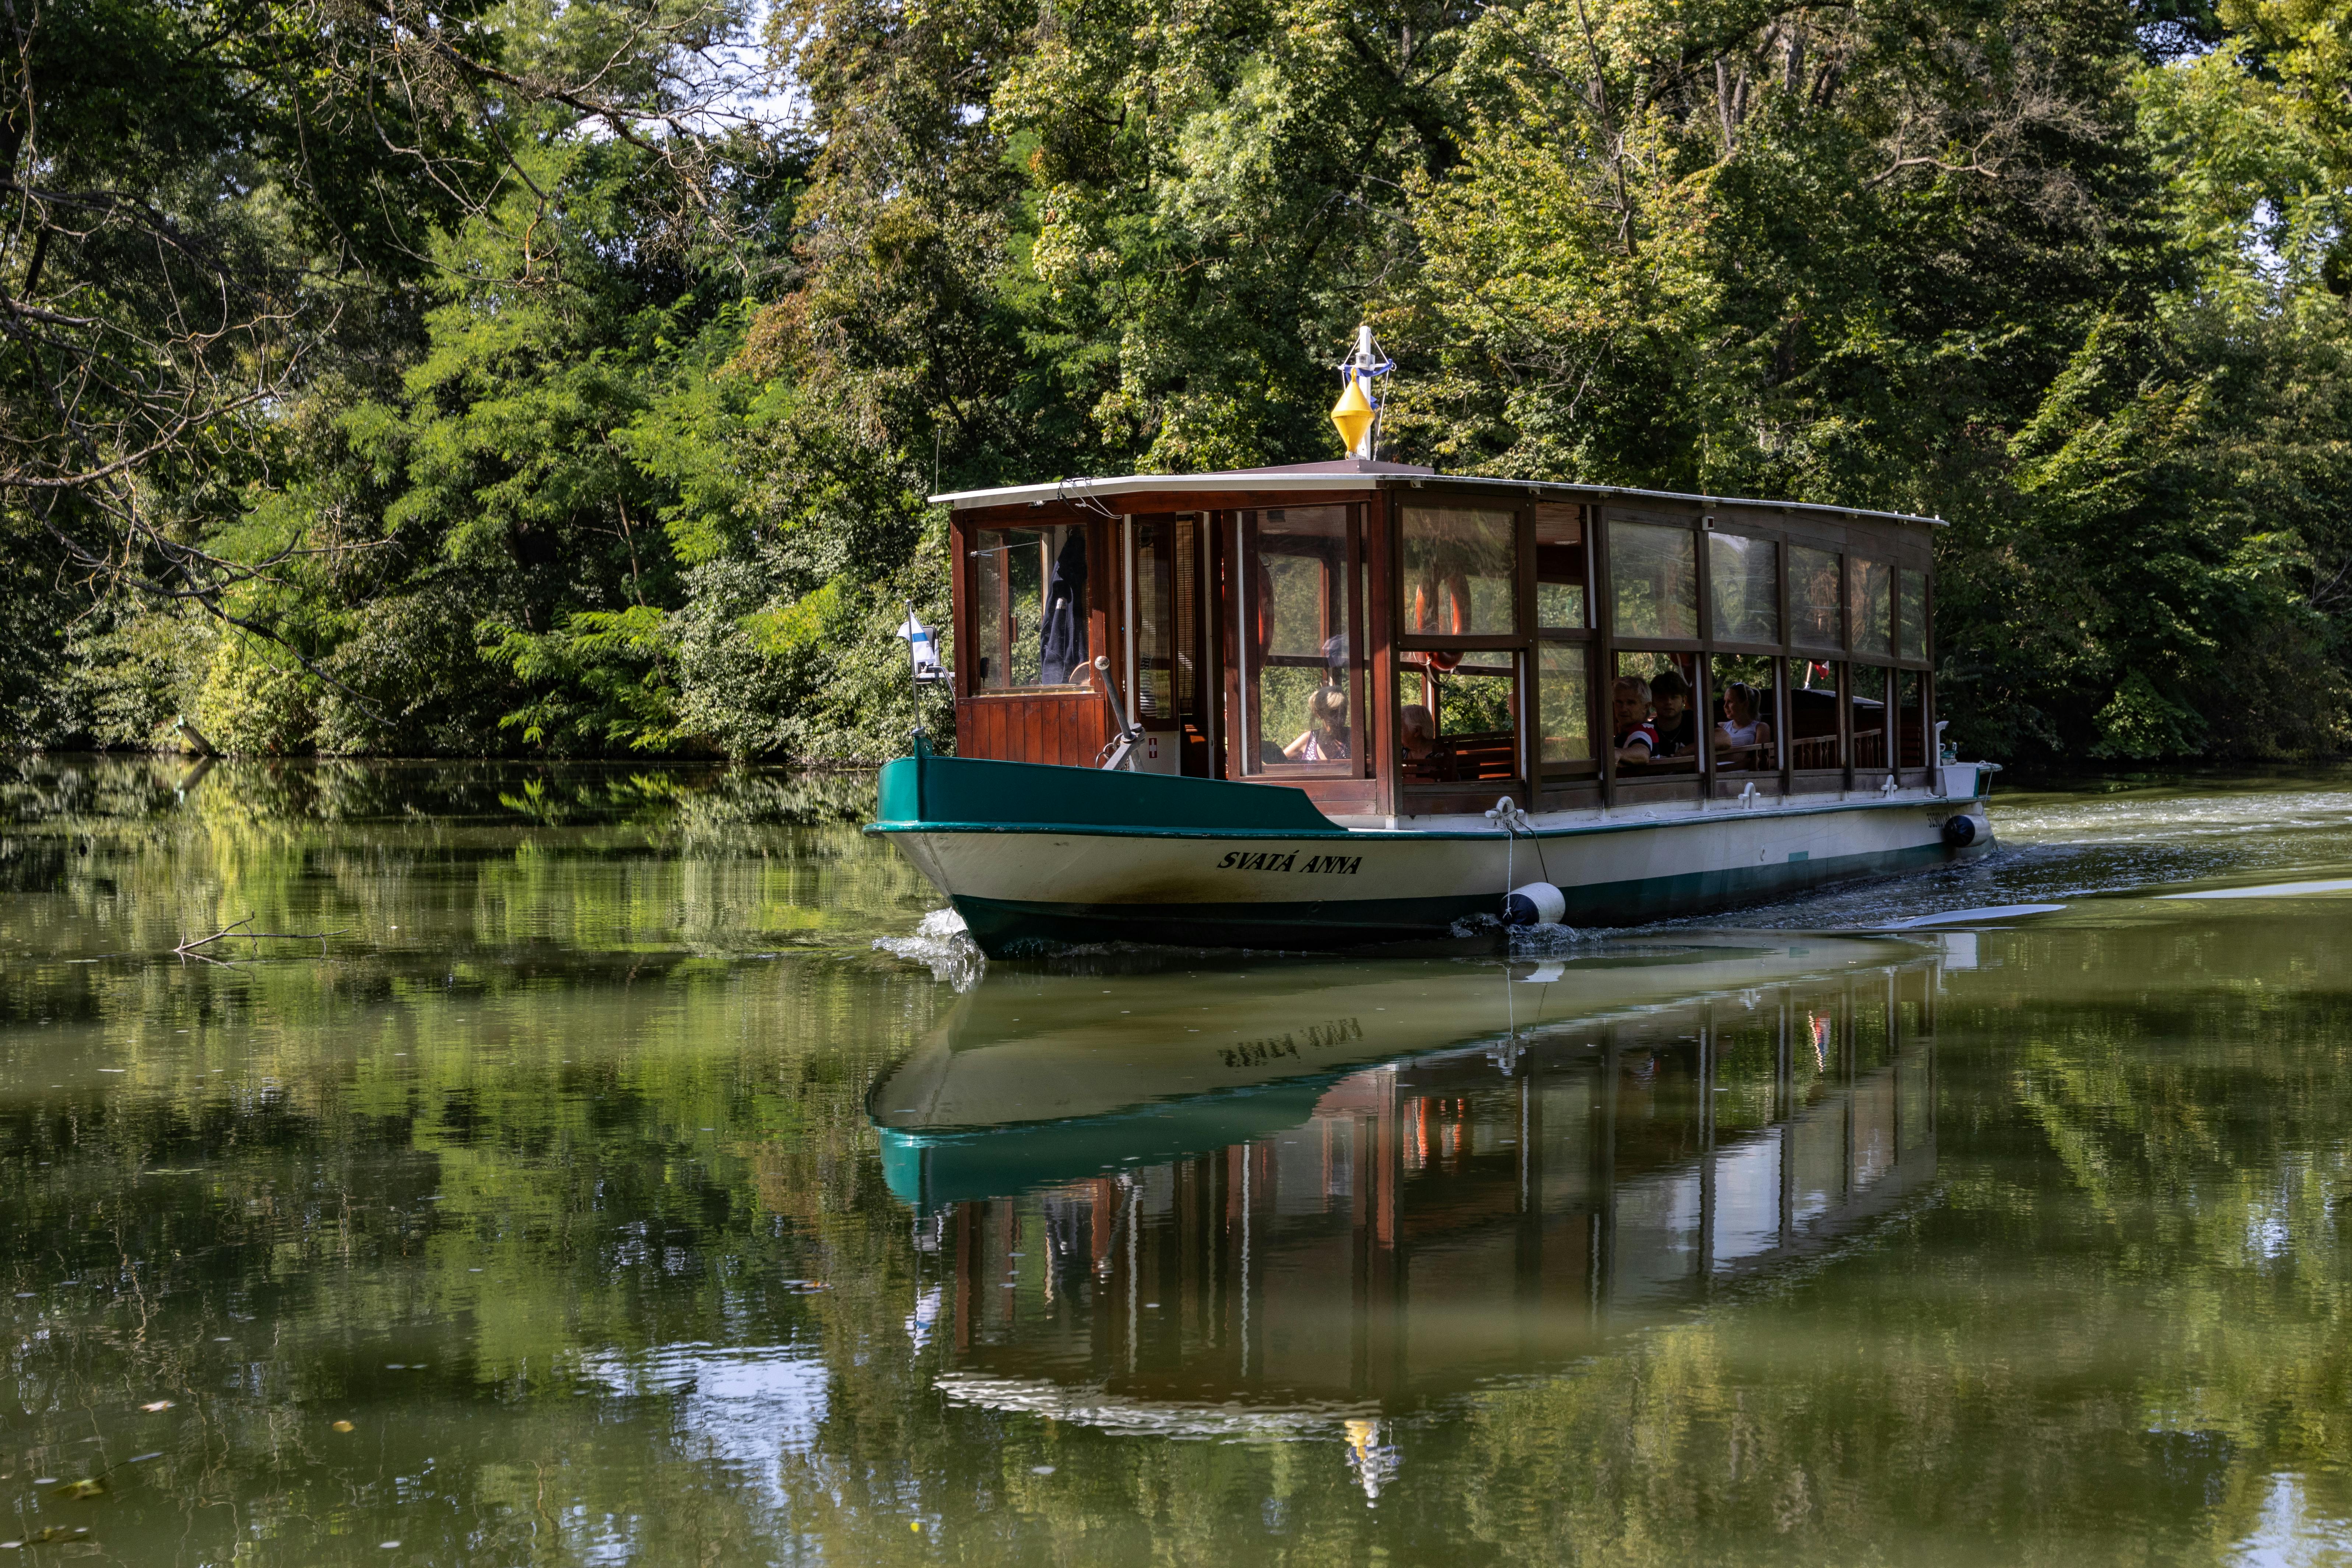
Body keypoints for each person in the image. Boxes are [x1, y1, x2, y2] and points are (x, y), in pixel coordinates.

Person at [1283, 685, 1351, 761]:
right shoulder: (1309, 739)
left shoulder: (1354, 738)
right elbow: (1276, 762)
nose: (1339, 717)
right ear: (1319, 714)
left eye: (1343, 711)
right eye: (1333, 712)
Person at [1715, 681, 1774, 768]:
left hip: (1743, 773)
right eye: (1725, 701)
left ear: (1745, 704)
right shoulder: (1721, 727)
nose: (1725, 706)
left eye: (1730, 702)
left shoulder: (1760, 728)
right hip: (1716, 771)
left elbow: (1758, 759)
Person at [1649, 668, 1698, 758]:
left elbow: (1724, 739)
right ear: (1653, 702)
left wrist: (1684, 752)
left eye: (1674, 697)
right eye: (1662, 698)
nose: (1669, 702)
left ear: (1684, 700)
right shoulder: (1648, 730)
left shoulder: (1693, 719)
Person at [1612, 676, 1658, 765]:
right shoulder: (1624, 735)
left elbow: (1643, 754)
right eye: (1619, 702)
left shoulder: (1644, 731)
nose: (1623, 709)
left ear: (1646, 707)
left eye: (1631, 703)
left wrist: (1618, 753)